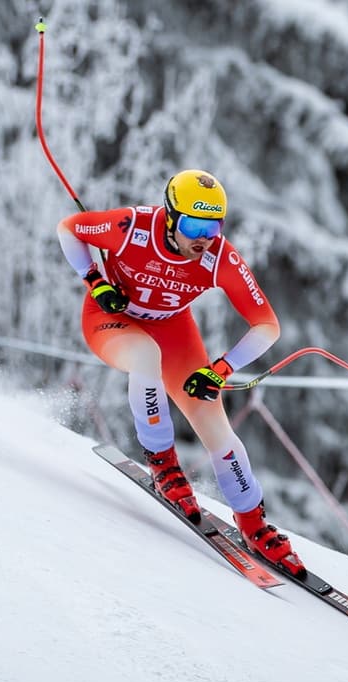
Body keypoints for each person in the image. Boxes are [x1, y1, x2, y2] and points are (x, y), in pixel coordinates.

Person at [56, 169, 304, 575]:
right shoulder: (132, 226)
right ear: (171, 217)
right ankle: (163, 464)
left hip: (174, 332)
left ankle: (254, 523)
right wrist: (96, 281)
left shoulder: (219, 256)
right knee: (144, 357)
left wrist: (221, 369)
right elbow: (70, 229)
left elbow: (267, 325)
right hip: (112, 321)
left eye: (214, 226)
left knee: (217, 428)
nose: (203, 237)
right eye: (193, 224)